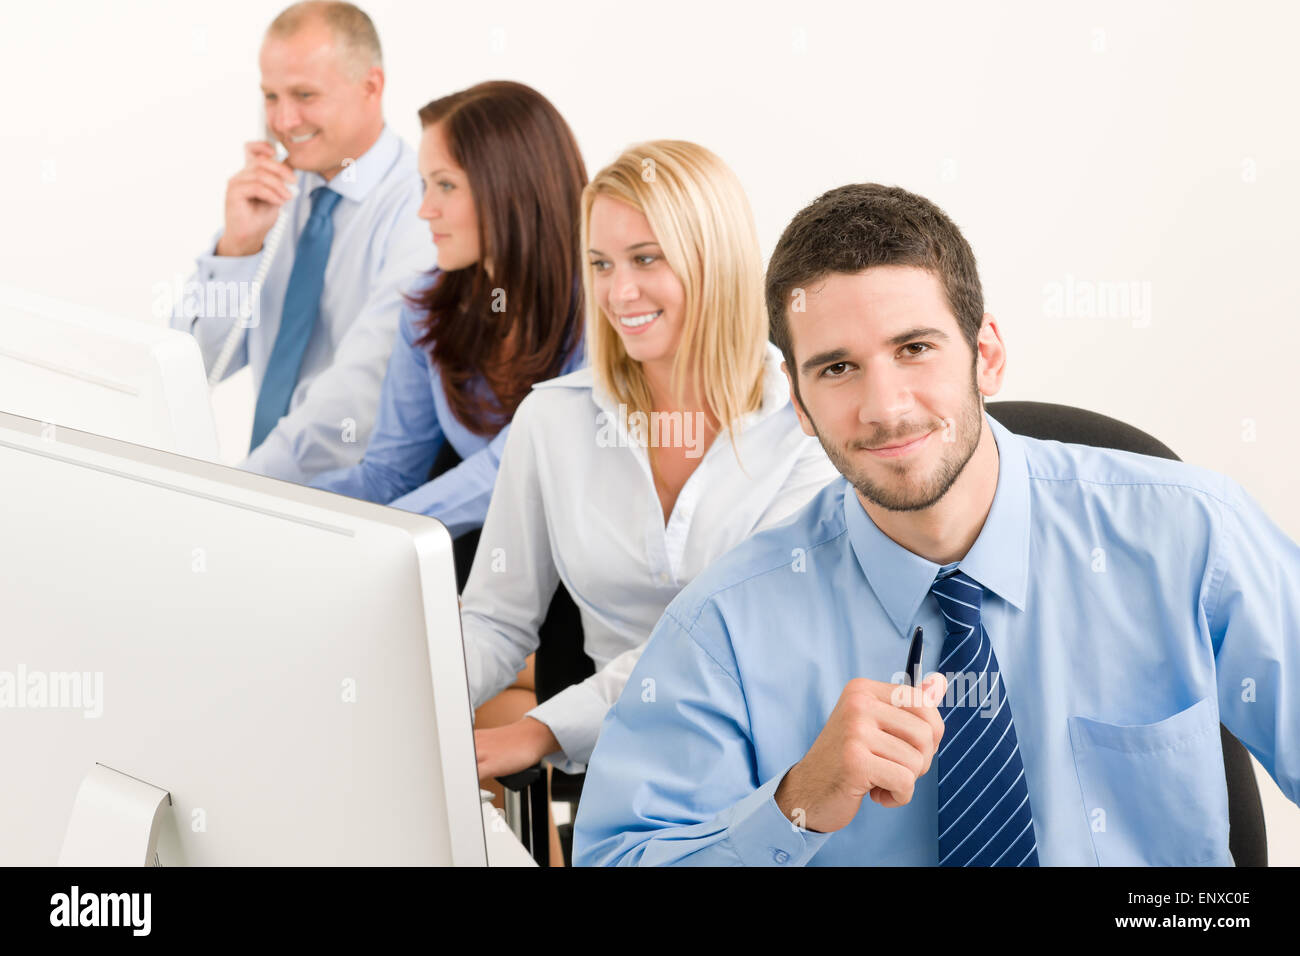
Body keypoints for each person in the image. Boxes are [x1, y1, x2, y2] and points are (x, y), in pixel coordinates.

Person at [572, 182, 1300, 866]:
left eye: (914, 349)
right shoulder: (724, 626)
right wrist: (795, 805)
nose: (885, 408)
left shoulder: (1193, 539)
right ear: (798, 402)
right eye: (836, 369)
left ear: (986, 356)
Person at [459, 141, 840, 783]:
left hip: (778, 762)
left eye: (645, 258)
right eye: (600, 264)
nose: (619, 291)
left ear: (714, 261)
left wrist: (543, 729)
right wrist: (409, 698)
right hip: (627, 767)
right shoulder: (552, 420)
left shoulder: (807, 421)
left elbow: (726, 634)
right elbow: (496, 618)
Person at [309, 80, 586, 540]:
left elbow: (510, 471)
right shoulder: (429, 306)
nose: (425, 210)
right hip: (482, 555)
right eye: (424, 185)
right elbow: (388, 476)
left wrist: (380, 538)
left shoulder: (604, 309)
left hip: (579, 565)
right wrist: (281, 510)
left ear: (511, 190)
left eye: (445, 185)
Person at [172, 1, 433, 484]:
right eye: (270, 97)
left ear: (371, 86)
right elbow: (190, 367)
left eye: (305, 95)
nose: (284, 121)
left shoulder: (422, 209)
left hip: (351, 496)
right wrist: (238, 248)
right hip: (265, 485)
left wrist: (247, 488)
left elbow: (358, 397)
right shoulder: (277, 198)